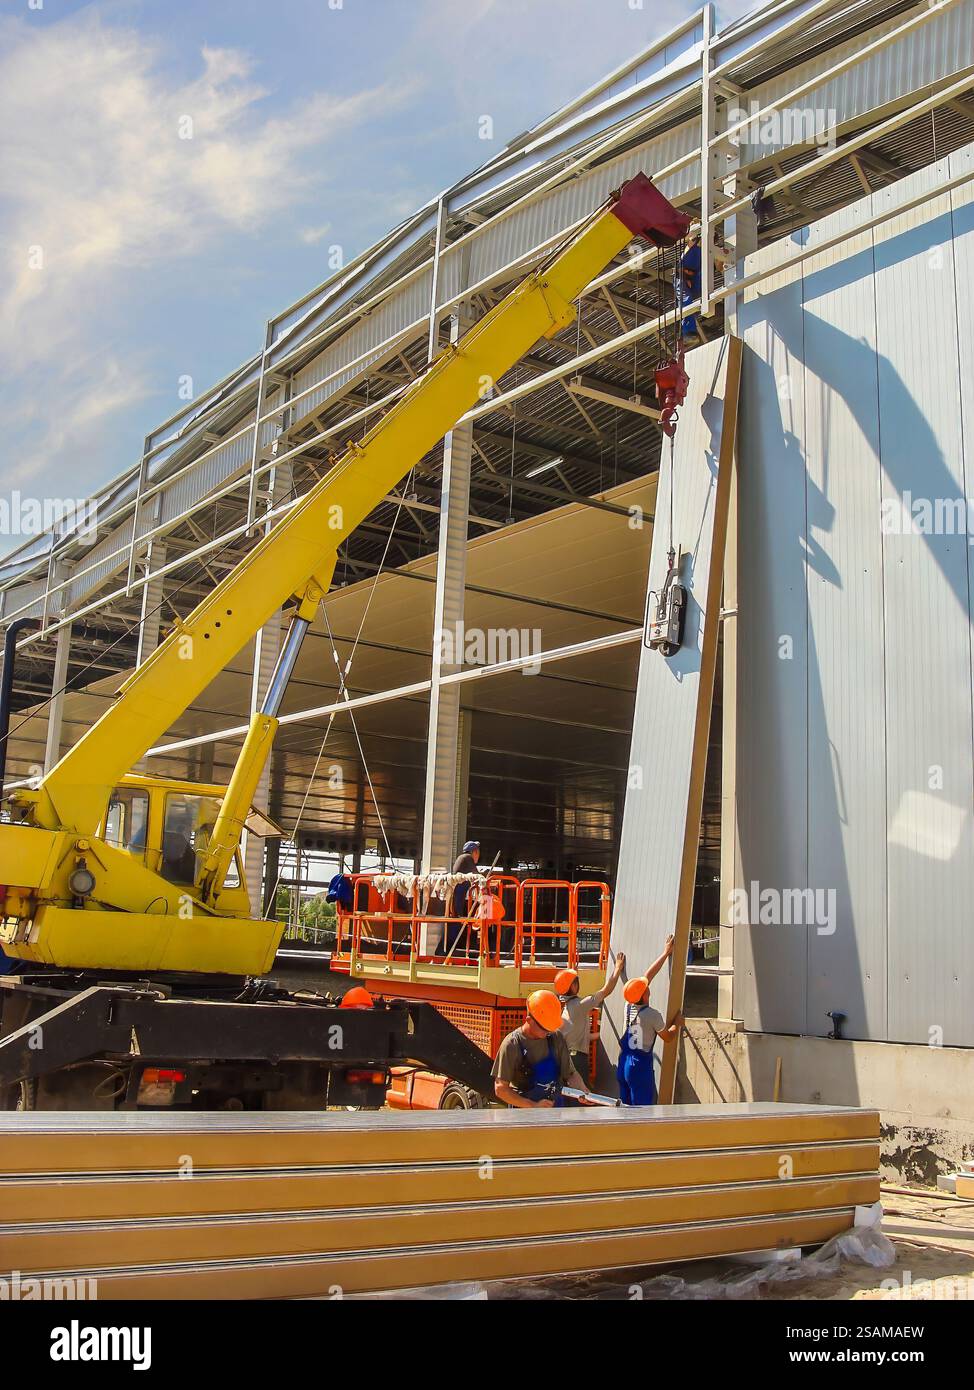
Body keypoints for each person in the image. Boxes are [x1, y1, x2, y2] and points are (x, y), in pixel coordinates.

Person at [492, 990, 589, 1109]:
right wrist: (533, 1105)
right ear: (529, 1020)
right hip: (525, 1117)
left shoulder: (555, 1037)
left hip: (555, 1112)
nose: (549, 1031)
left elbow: (570, 1074)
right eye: (545, 1028)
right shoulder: (512, 1044)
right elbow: (500, 1089)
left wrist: (582, 1091)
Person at [617, 944, 684, 1106]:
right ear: (645, 995)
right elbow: (668, 1037)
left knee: (624, 1110)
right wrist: (677, 1024)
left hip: (623, 1063)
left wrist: (665, 953)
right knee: (642, 1112)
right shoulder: (652, 1015)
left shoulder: (628, 1005)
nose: (648, 986)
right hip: (639, 1068)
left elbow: (647, 975)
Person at [554, 952, 627, 1083]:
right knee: (580, 1098)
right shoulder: (579, 1005)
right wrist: (617, 968)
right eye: (577, 982)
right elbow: (606, 991)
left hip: (569, 1059)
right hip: (577, 1060)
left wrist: (602, 1034)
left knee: (574, 1098)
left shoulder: (567, 1009)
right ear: (573, 986)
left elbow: (580, 1036)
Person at [445, 840, 481, 956]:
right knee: (456, 920)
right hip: (457, 895)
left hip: (457, 894)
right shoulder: (467, 858)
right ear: (474, 852)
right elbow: (476, 875)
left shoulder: (462, 858)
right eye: (478, 852)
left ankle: (450, 948)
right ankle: (449, 948)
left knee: (456, 920)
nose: (478, 855)